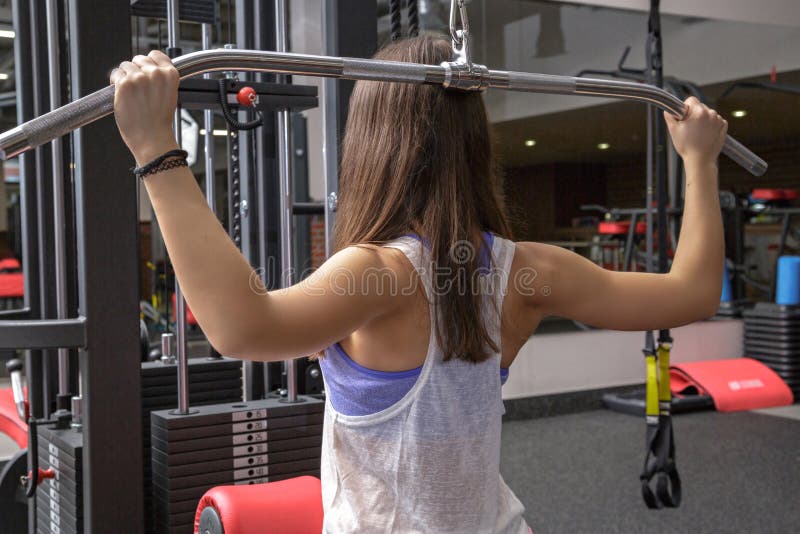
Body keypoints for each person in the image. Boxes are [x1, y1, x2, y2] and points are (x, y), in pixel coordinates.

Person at [111, 36, 726, 533]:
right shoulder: (532, 271)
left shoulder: (377, 274)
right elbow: (693, 294)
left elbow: (241, 326)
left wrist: (156, 148)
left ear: (374, 141)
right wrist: (699, 159)